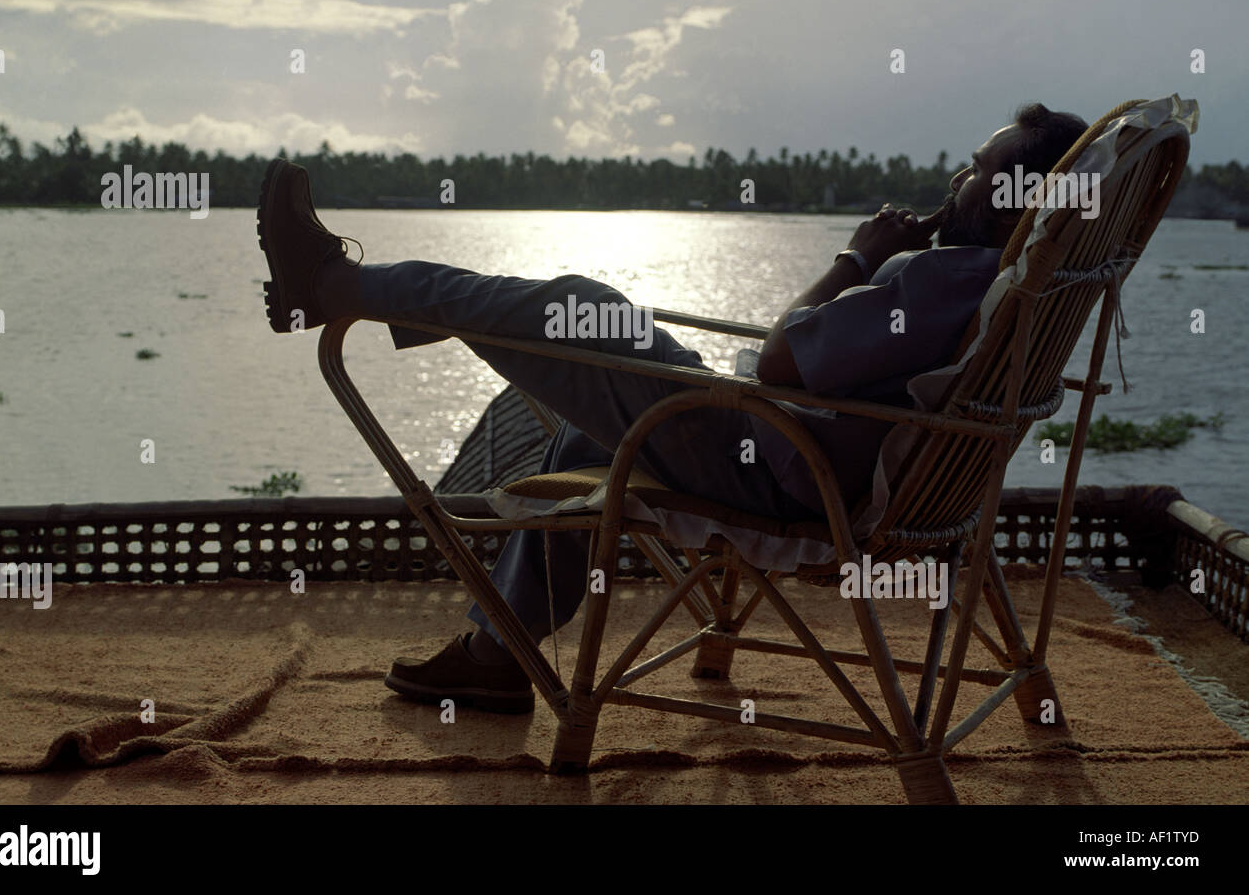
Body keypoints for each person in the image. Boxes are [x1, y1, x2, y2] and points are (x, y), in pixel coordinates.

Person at [256, 102, 1087, 713]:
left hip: (773, 465)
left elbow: (782, 354)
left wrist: (857, 256)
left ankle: (333, 286)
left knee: (574, 306)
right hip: (793, 453)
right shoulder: (1004, 286)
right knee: (588, 419)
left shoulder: (941, 277)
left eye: (979, 166)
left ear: (1016, 192)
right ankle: (496, 656)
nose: (958, 177)